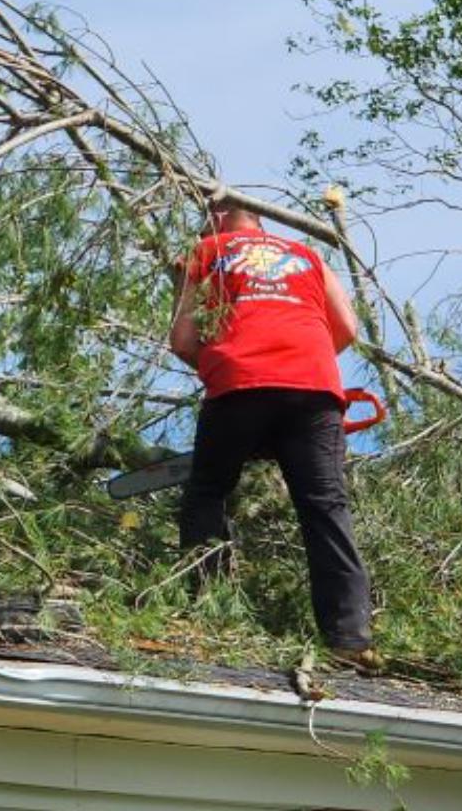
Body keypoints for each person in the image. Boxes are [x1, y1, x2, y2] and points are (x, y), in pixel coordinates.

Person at [166, 194, 383, 671]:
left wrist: (227, 367)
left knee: (208, 491)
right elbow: (346, 326)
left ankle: (210, 615)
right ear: (259, 222)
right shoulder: (307, 255)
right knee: (326, 507)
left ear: (215, 222)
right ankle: (350, 637)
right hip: (315, 388)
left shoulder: (206, 252)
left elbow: (181, 340)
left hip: (239, 386)